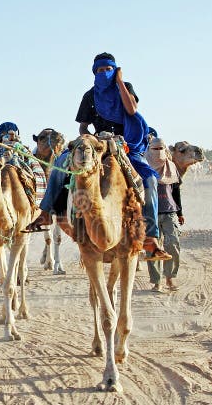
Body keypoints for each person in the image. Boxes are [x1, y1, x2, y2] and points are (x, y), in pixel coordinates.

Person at [26, 52, 170, 261]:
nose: (104, 74)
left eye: (108, 70)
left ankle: (151, 237)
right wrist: (87, 137)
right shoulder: (89, 96)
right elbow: (83, 125)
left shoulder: (125, 88)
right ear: (94, 73)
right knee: (60, 163)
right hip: (97, 143)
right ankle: (46, 212)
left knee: (149, 180)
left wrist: (119, 81)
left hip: (125, 143)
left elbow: (131, 109)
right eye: (100, 71)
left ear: (115, 69)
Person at [145, 137, 183, 291]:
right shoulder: (144, 166)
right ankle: (156, 281)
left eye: (161, 149)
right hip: (149, 213)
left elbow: (176, 191)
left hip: (170, 211)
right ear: (149, 150)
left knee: (172, 244)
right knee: (152, 248)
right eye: (155, 149)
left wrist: (180, 212)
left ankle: (170, 278)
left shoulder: (172, 167)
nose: (159, 152)